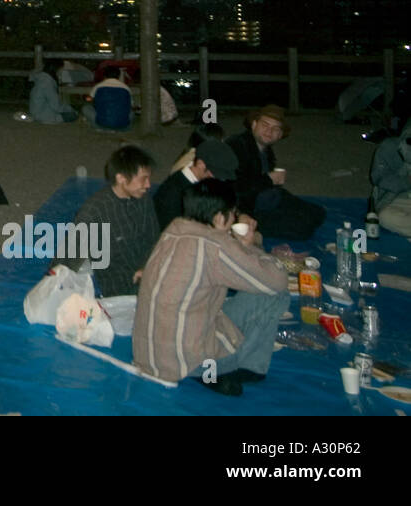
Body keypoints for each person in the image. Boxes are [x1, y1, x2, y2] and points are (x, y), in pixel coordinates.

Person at [133, 180, 289, 396]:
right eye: (232, 213)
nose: (234, 218)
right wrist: (249, 247)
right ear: (219, 217)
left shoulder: (174, 227)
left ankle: (210, 369)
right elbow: (277, 279)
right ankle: (246, 367)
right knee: (276, 293)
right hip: (187, 362)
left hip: (148, 356)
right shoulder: (215, 245)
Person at [68, 145, 158, 298]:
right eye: (143, 179)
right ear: (121, 178)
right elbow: (69, 257)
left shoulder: (143, 199)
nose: (148, 185)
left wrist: (146, 267)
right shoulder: (95, 212)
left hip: (150, 270)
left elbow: (154, 238)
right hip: (123, 286)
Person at [225, 105, 324, 240]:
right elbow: (234, 191)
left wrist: (271, 182)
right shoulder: (237, 147)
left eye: (275, 128)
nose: (269, 131)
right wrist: (269, 179)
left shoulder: (265, 149)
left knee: (318, 213)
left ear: (280, 135)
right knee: (302, 229)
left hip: (266, 195)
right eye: (265, 125)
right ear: (254, 124)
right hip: (245, 208)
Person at [152, 138, 239, 231]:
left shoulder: (206, 182)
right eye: (217, 174)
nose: (222, 180)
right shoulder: (173, 195)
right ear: (200, 164)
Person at [369, 119, 411, 238]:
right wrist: (407, 181)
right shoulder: (390, 147)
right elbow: (379, 178)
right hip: (397, 198)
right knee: (386, 218)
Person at [81, 65, 131, 130]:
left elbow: (89, 99)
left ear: (104, 76)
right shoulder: (126, 88)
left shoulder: (99, 86)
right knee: (131, 113)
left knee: (86, 108)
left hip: (102, 123)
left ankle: (100, 128)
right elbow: (130, 105)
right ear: (118, 76)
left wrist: (85, 97)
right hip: (122, 125)